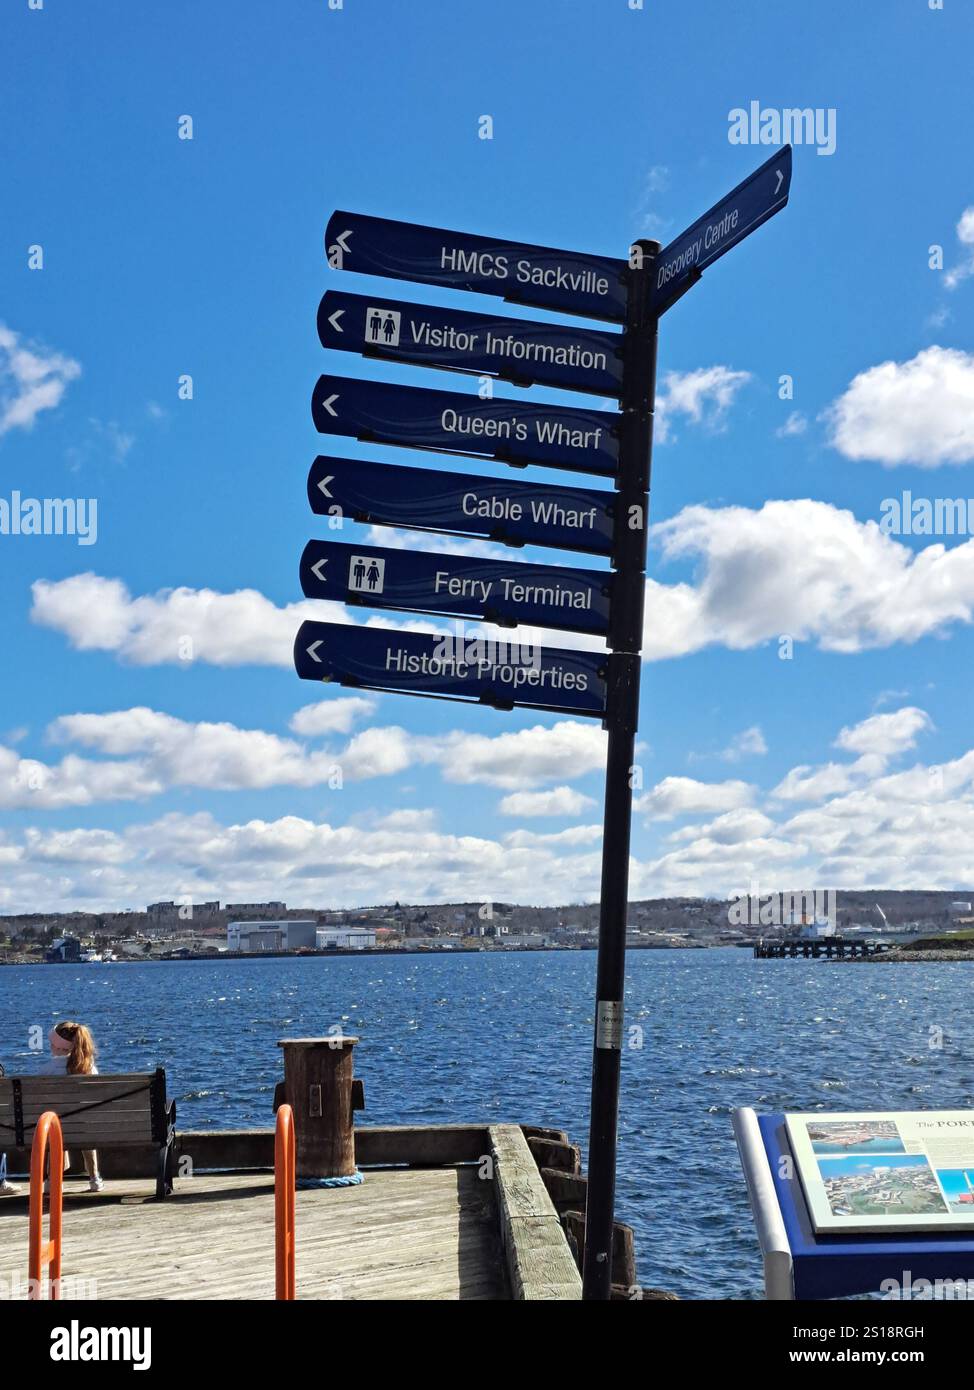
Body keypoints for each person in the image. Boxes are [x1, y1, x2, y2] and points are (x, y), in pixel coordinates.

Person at [48, 1022, 104, 1192]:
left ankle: (51, 1180)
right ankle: (94, 1178)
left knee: (55, 1125)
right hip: (82, 1128)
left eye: (51, 1043)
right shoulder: (89, 1068)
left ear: (58, 1047)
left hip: (54, 1128)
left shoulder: (47, 1069)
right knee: (84, 1124)